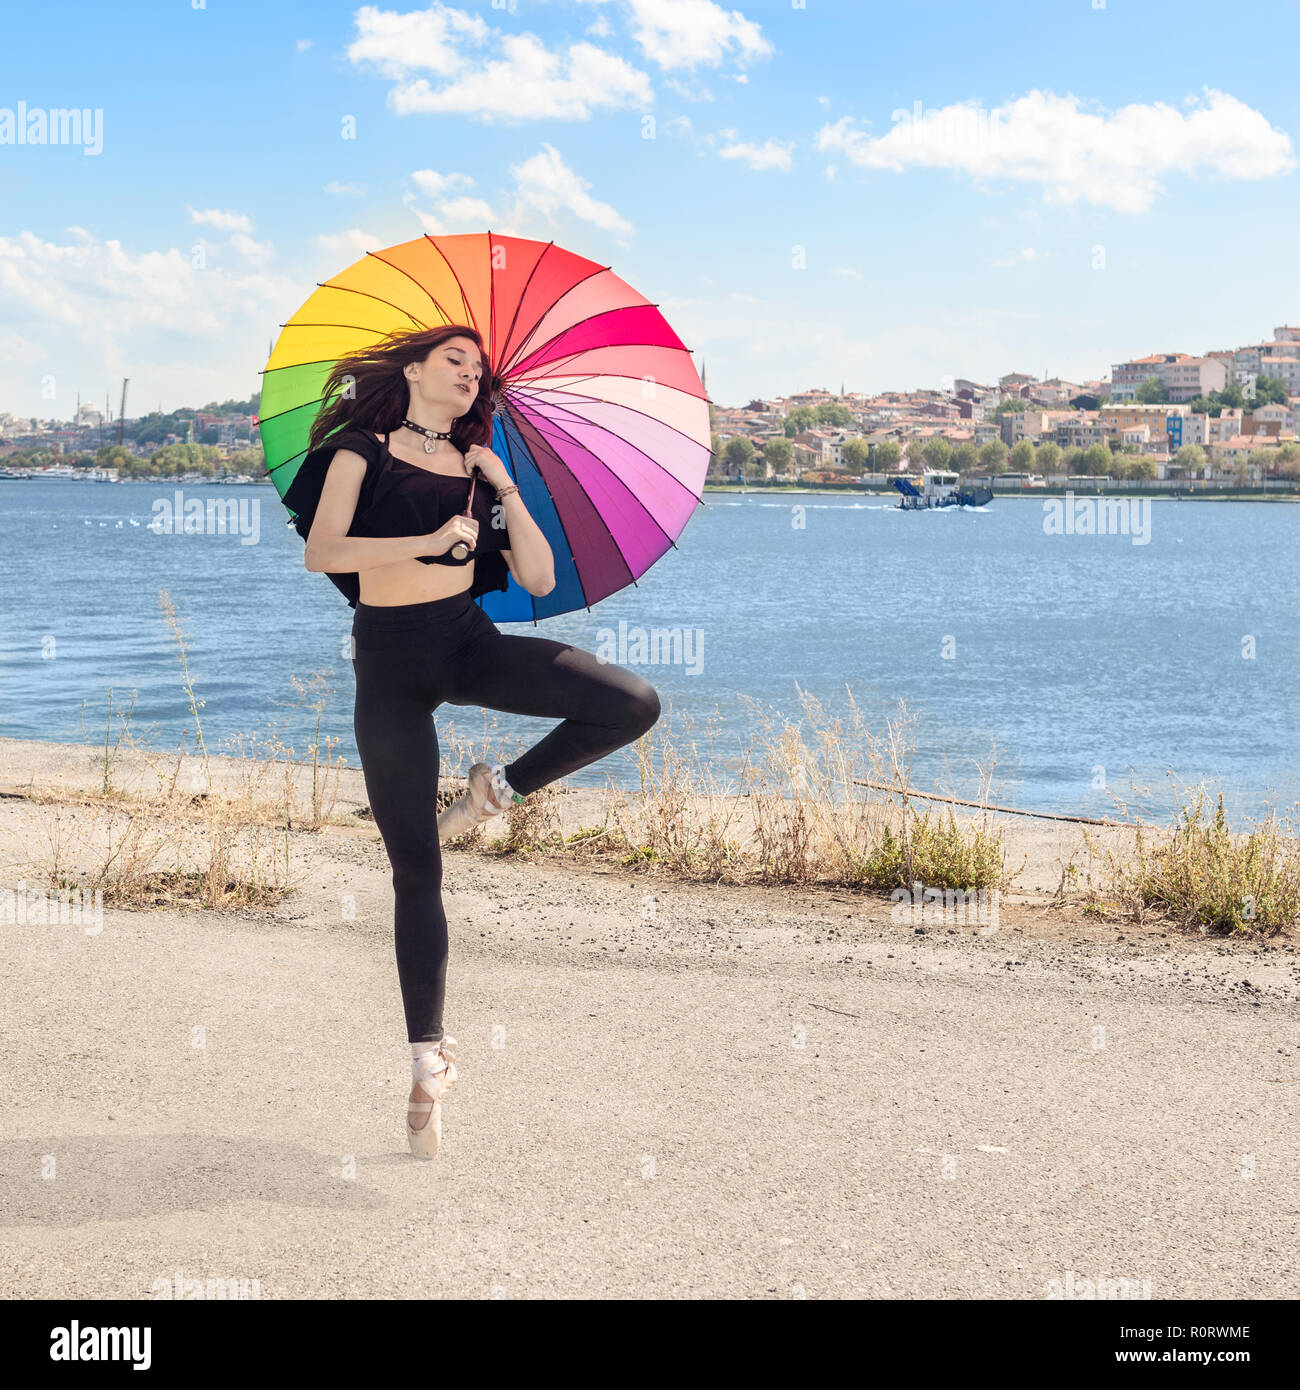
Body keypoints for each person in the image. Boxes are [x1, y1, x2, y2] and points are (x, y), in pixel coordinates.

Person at [282, 324, 661, 1158]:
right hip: (388, 670)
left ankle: (496, 794)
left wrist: (505, 491)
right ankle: (428, 1063)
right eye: (454, 359)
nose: (468, 372)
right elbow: (321, 552)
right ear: (414, 370)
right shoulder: (359, 451)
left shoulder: (481, 467)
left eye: (477, 367)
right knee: (417, 870)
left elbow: (538, 579)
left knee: (632, 701)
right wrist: (426, 541)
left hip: (468, 643)